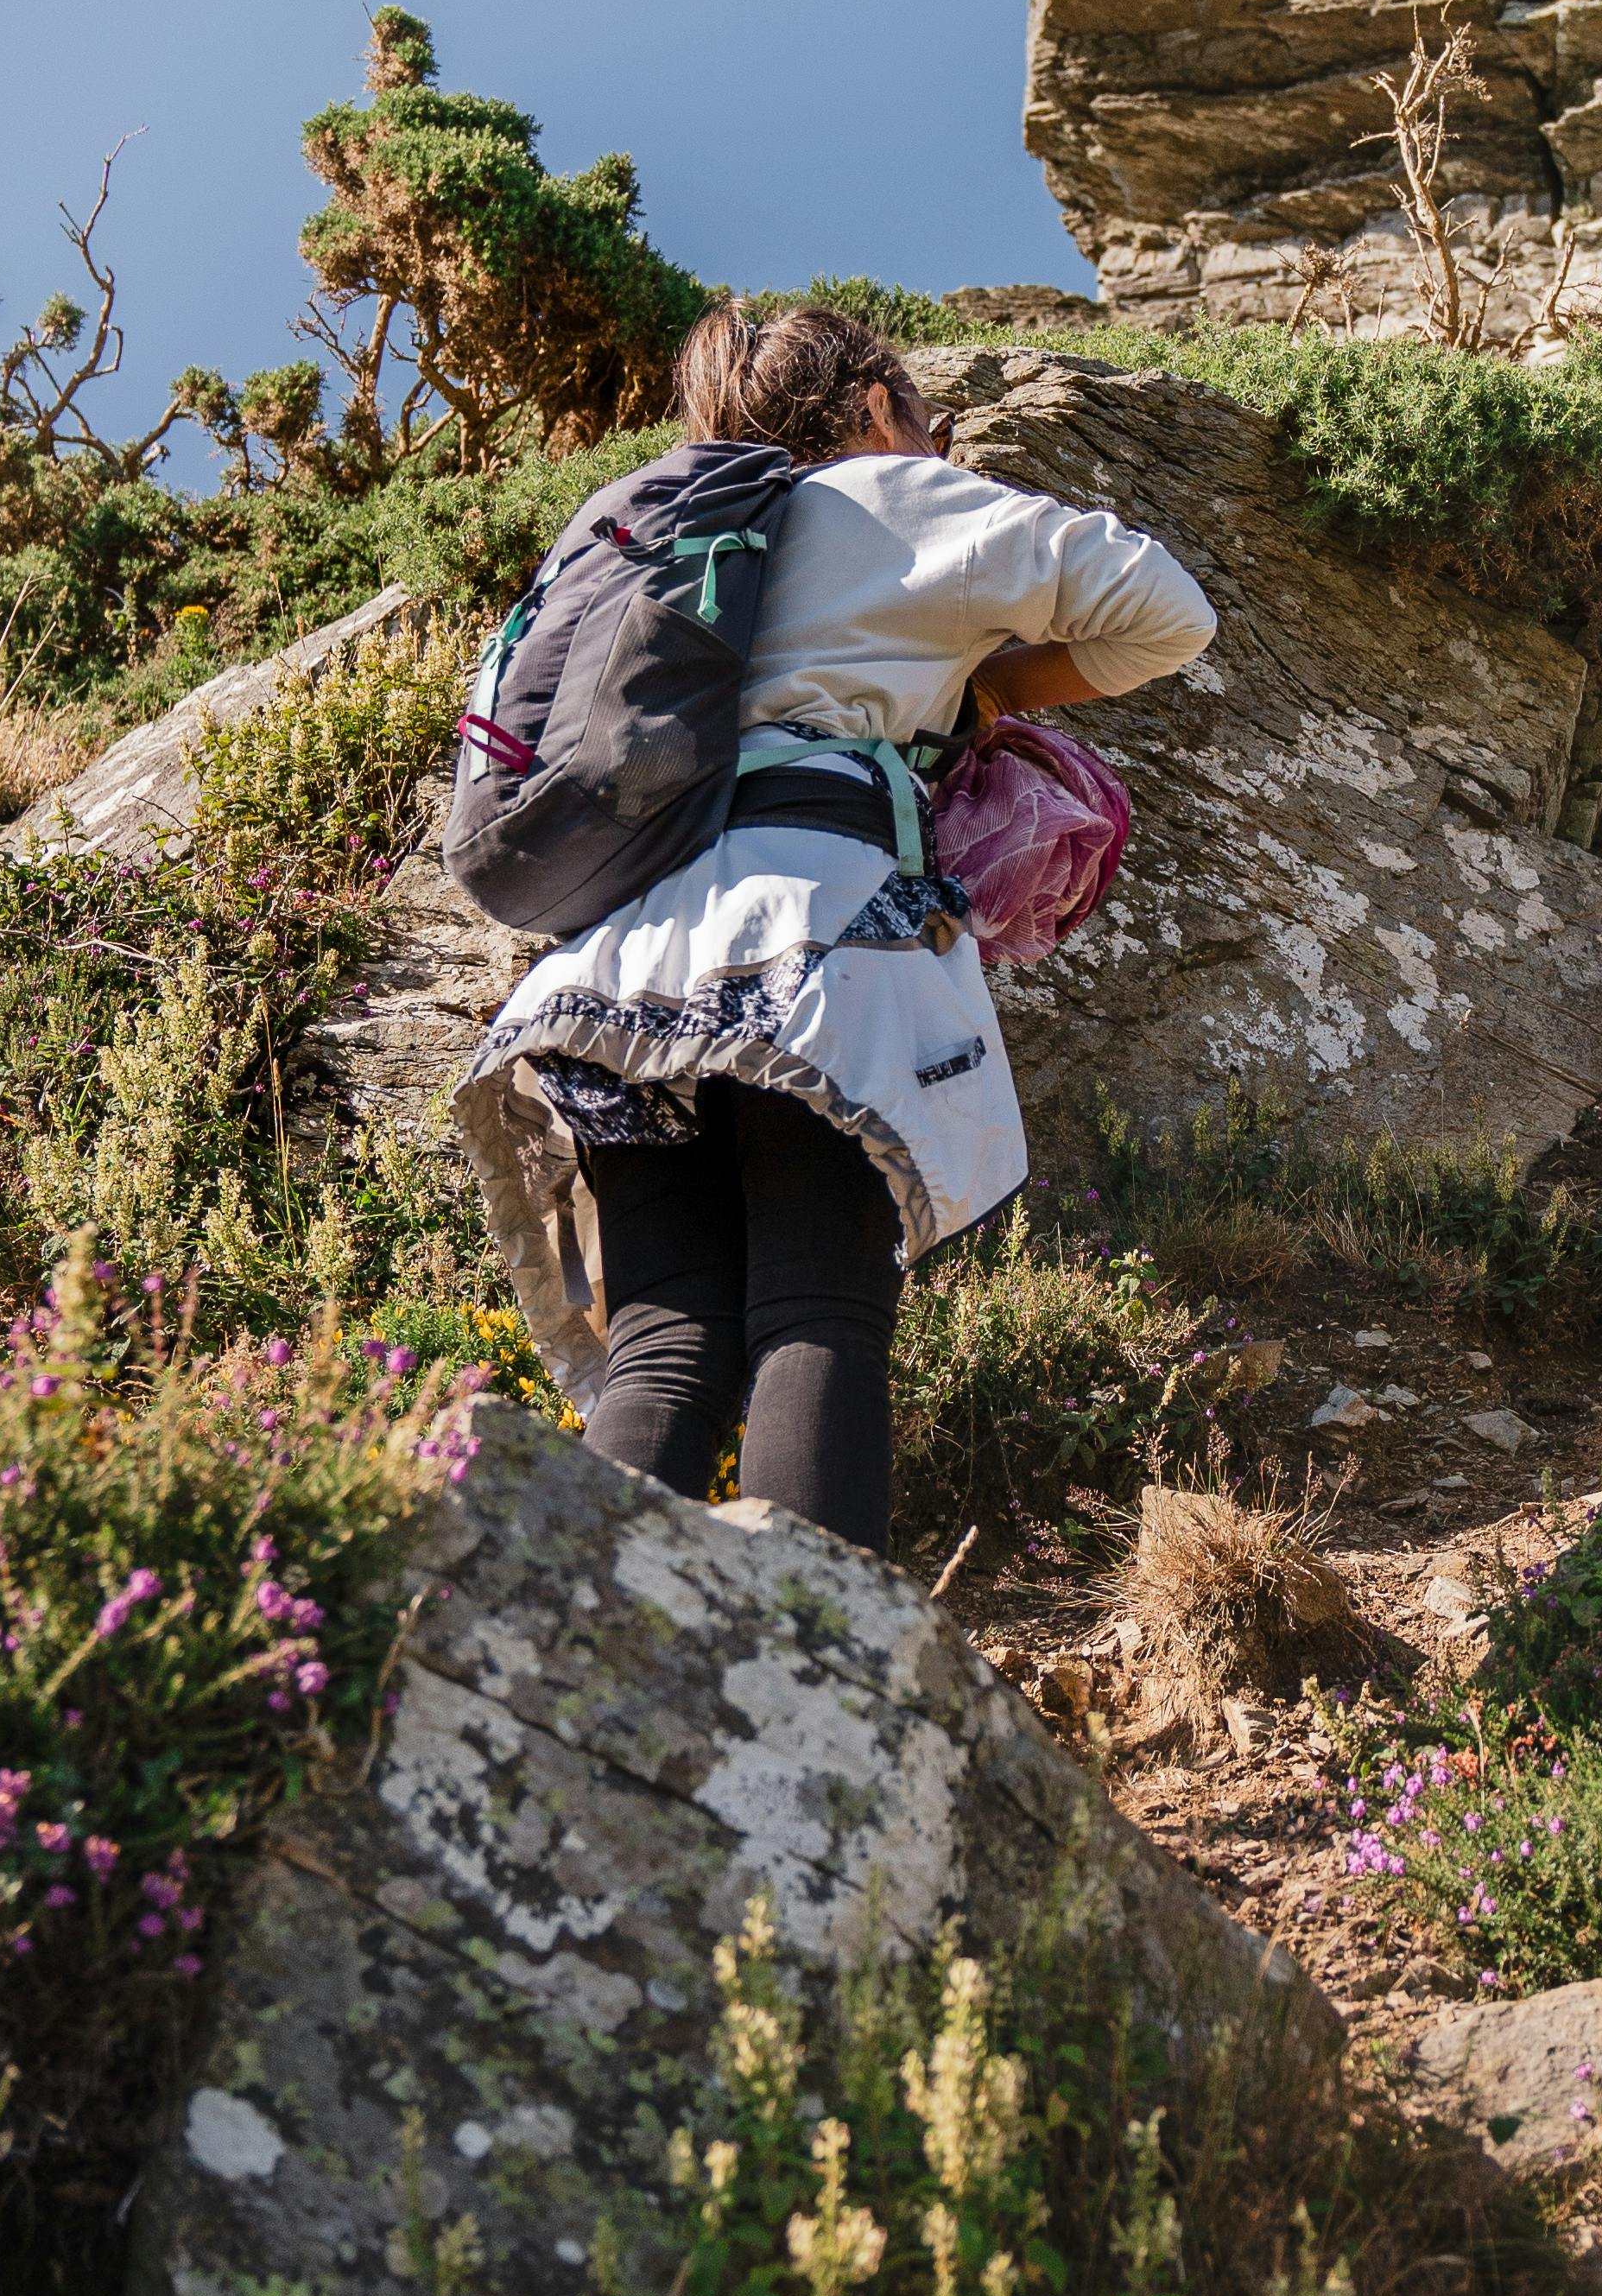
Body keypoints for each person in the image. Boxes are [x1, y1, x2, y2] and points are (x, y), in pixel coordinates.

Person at [459, 298, 1215, 1548]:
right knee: (816, 1304)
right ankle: (826, 1681)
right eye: (928, 420)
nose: (936, 440)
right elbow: (1168, 611)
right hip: (806, 939)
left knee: (663, 1337)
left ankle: (579, 1652)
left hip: (609, 965)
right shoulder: (901, 499)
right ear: (877, 412)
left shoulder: (671, 537)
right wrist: (984, 684)